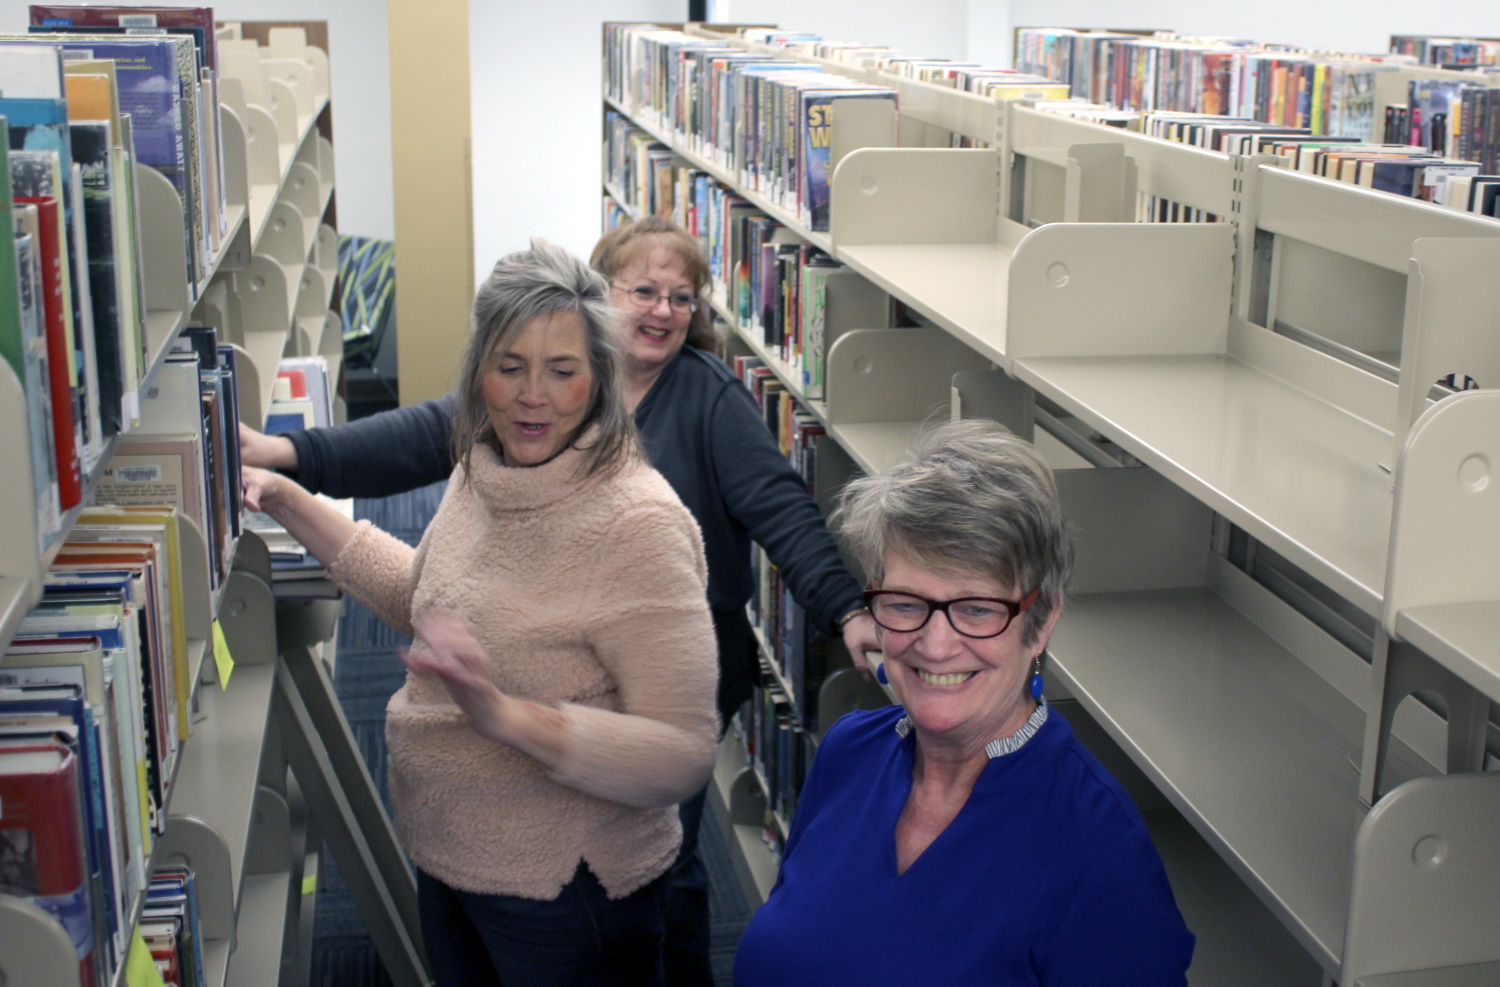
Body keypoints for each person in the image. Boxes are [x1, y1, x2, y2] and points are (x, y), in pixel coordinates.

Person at [241, 217, 881, 984]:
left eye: (561, 370)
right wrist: (284, 493)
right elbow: (428, 595)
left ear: (599, 375)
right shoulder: (484, 465)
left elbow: (680, 753)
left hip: (561, 887)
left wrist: (507, 716)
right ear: (478, 372)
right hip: (451, 856)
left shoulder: (638, 519)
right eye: (509, 367)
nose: (532, 396)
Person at [732, 420, 1195, 985]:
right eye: (905, 603)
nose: (935, 644)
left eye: (977, 609)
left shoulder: (1100, 852)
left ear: (1041, 622)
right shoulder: (847, 750)